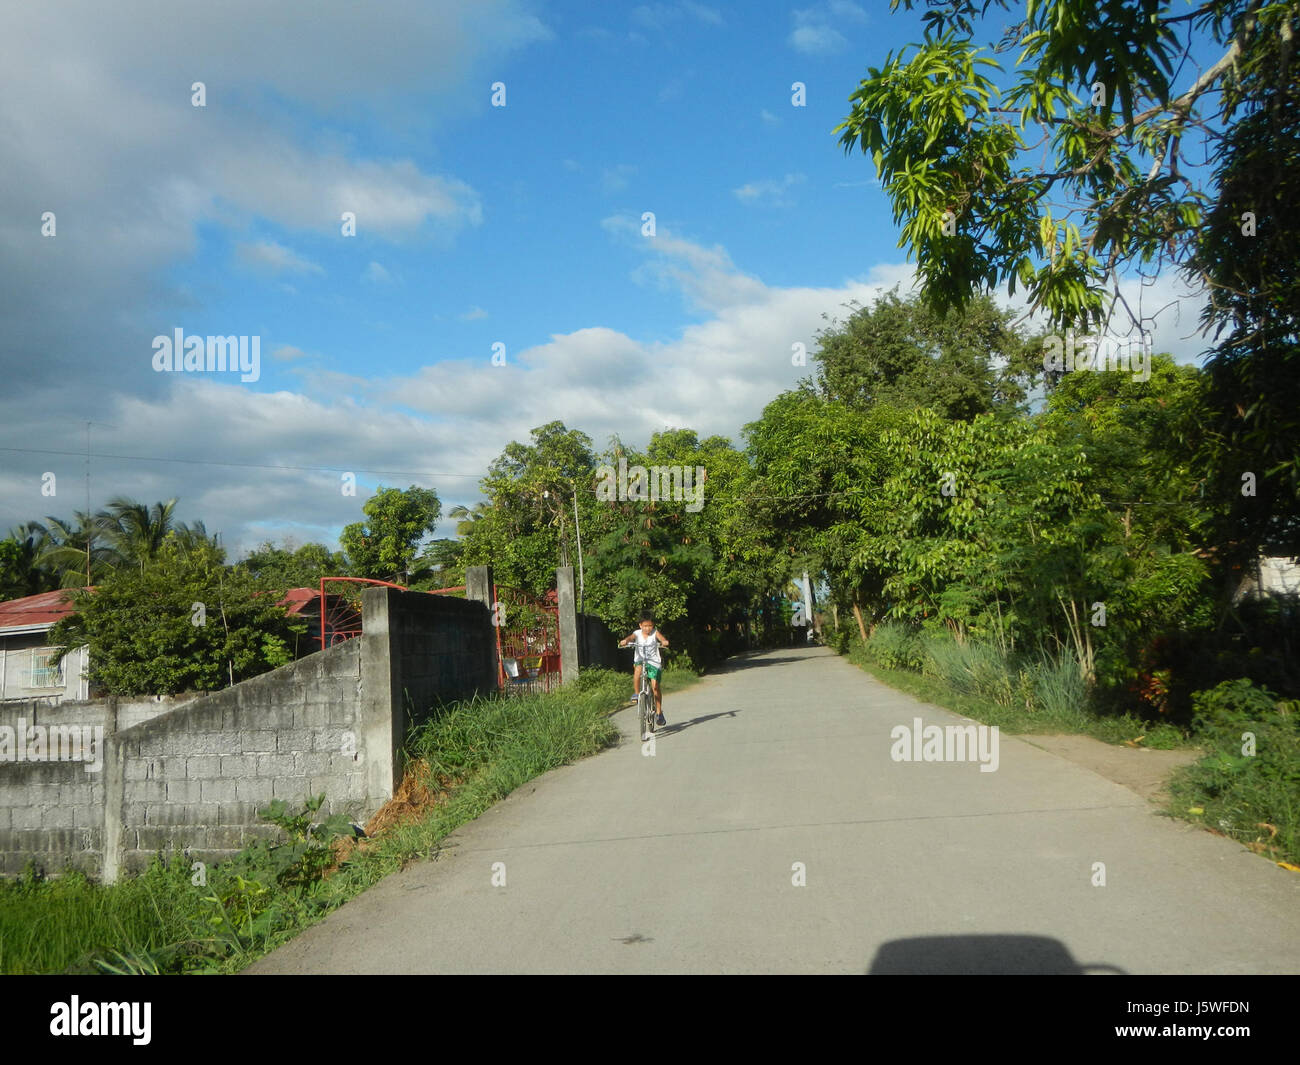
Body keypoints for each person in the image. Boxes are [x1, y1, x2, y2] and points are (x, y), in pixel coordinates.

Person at [619, 611, 669, 726]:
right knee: (637, 671)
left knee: (655, 687)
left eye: (650, 626)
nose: (648, 628)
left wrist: (664, 642)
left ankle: (659, 712)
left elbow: (662, 639)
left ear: (653, 625)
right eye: (645, 626)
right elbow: (630, 638)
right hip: (640, 660)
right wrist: (625, 641)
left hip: (653, 662)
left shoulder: (655, 633)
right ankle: (637, 694)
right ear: (640, 625)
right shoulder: (637, 633)